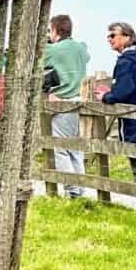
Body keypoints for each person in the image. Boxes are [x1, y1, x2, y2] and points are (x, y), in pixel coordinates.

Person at [96, 22, 136, 207]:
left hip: (133, 119)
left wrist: (107, 96)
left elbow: (124, 91)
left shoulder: (126, 61)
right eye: (108, 36)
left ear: (128, 37)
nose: (109, 39)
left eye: (113, 35)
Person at [42, 14, 90, 198]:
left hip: (60, 99)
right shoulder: (80, 49)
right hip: (77, 99)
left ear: (55, 29)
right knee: (74, 148)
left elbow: (39, 57)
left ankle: (72, 191)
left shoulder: (54, 50)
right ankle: (80, 189)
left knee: (59, 148)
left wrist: (48, 43)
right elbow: (86, 54)